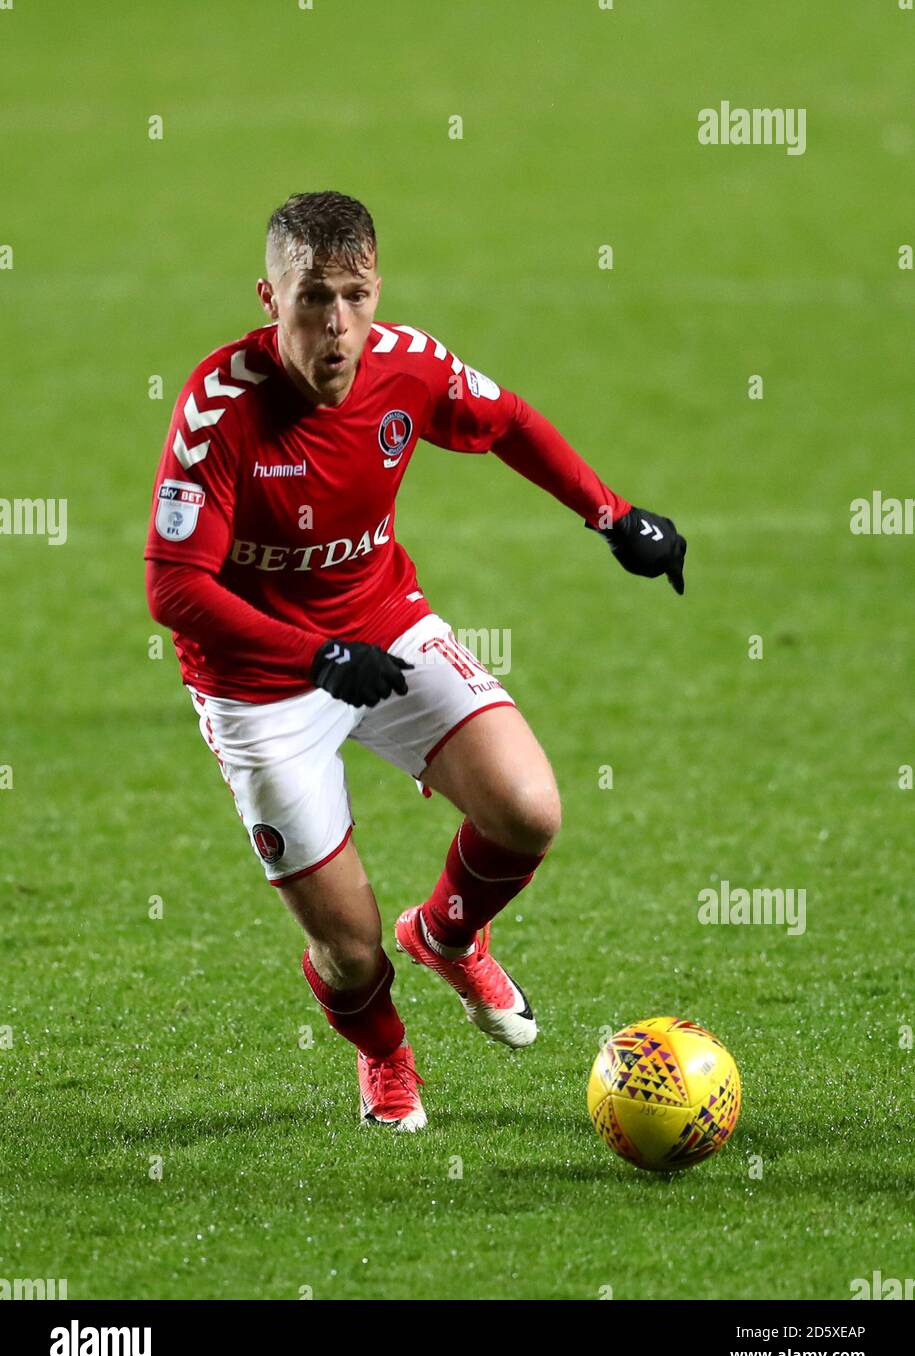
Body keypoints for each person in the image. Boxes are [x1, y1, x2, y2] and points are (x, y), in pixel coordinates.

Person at [145, 190, 687, 1132]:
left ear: (377, 290)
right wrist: (314, 655)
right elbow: (176, 592)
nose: (337, 326)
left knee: (527, 810)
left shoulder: (408, 365)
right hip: (259, 681)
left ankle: (445, 933)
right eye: (312, 298)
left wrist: (611, 514)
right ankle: (387, 1056)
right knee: (349, 953)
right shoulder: (216, 413)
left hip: (381, 624)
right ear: (269, 297)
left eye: (355, 296)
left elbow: (507, 420)